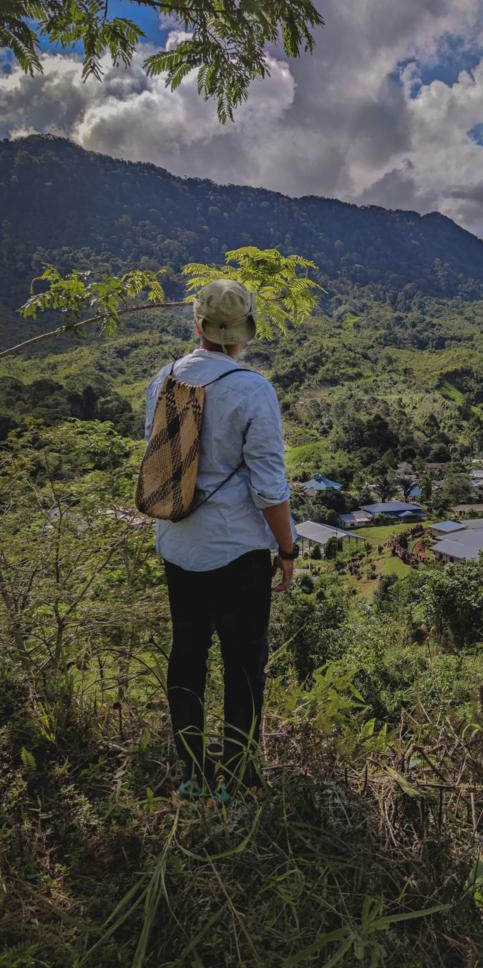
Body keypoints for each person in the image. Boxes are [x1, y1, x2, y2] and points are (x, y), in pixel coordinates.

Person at [143, 279, 298, 803]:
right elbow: (270, 488)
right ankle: (238, 776)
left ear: (197, 324)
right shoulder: (252, 389)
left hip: (179, 547)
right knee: (243, 665)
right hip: (237, 553)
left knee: (187, 654)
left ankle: (192, 773)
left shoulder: (163, 379)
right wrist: (287, 550)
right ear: (246, 333)